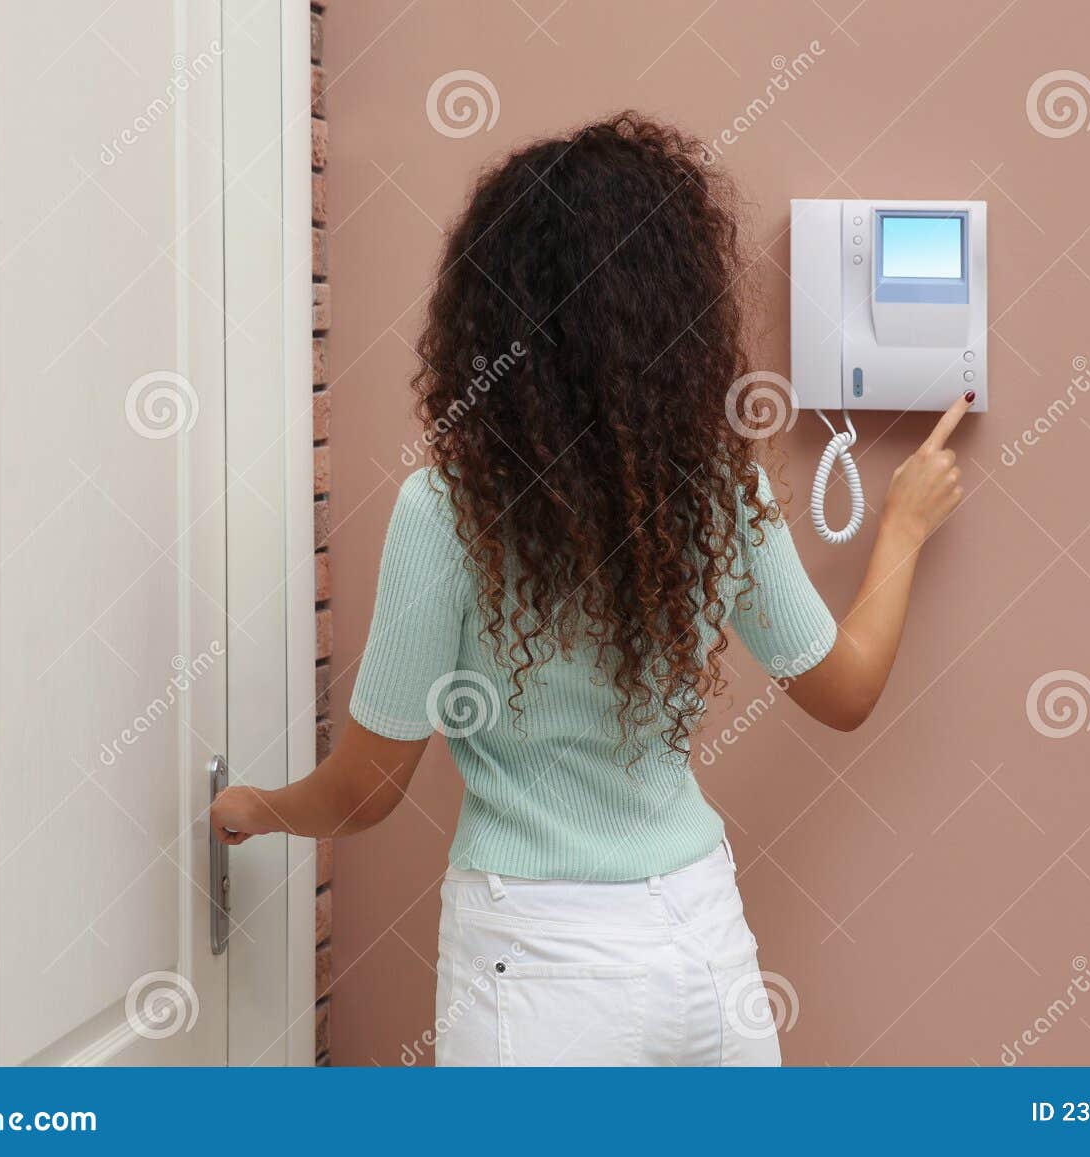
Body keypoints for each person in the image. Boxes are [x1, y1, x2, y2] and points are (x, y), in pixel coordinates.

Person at [211, 113, 969, 1066]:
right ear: (677, 313)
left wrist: (251, 808)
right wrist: (898, 528)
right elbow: (847, 690)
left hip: (538, 970)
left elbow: (366, 792)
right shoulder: (714, 493)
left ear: (488, 312)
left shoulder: (446, 508)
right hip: (706, 950)